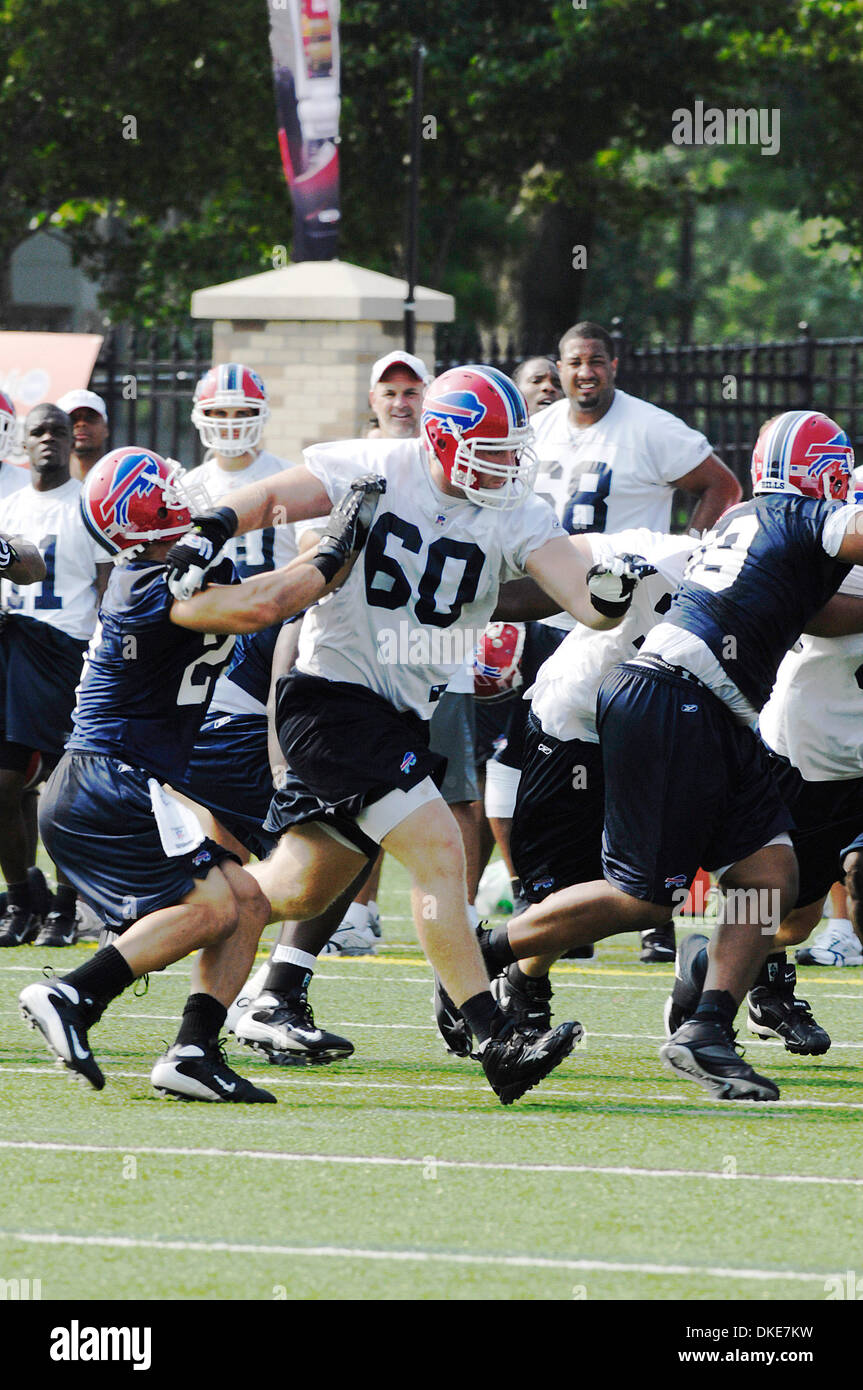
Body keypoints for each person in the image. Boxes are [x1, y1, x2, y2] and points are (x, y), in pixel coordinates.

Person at [164, 364, 651, 1104]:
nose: (502, 466)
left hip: (396, 710)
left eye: (508, 450)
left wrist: (612, 599)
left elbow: (583, 601)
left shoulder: (514, 509)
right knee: (440, 850)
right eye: (486, 451)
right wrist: (212, 525)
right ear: (441, 438)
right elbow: (268, 495)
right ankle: (496, 1039)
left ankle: (123, 989)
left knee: (283, 893)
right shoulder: (377, 467)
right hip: (329, 696)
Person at [469, 408, 863, 1102]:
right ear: (821, 472)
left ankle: (705, 1030)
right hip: (676, 695)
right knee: (644, 898)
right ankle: (478, 959)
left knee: (768, 870)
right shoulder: (804, 518)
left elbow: (823, 614)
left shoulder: (760, 521)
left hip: (707, 702)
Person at [18, 447, 385, 1100]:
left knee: (244, 898)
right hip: (104, 780)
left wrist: (326, 549)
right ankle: (72, 993)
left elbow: (267, 595)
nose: (185, 494)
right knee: (216, 906)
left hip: (124, 778)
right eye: (170, 490)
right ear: (151, 510)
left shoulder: (167, 568)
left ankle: (193, 1050)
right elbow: (262, 606)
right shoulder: (151, 582)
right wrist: (338, 540)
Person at [485, 320, 742, 962]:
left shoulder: (650, 428)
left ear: (614, 365)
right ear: (560, 368)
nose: (585, 374)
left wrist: (695, 561)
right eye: (574, 362)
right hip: (550, 614)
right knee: (525, 758)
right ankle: (548, 906)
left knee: (631, 770)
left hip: (631, 620)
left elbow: (721, 485)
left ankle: (631, 907)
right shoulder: (536, 432)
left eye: (596, 361)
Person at [0, 404, 112, 948]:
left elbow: (110, 587)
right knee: (4, 786)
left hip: (67, 653)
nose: (47, 440)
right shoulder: (9, 507)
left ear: (73, 441)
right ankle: (22, 899)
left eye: (57, 431)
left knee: (64, 791)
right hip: (11, 648)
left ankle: (66, 909)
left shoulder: (88, 506)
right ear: (22, 442)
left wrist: (109, 655)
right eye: (37, 432)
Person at [56, 389, 110, 482]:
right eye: (72, 419)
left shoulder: (122, 479)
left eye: (91, 418)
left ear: (105, 428)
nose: (81, 424)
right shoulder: (47, 484)